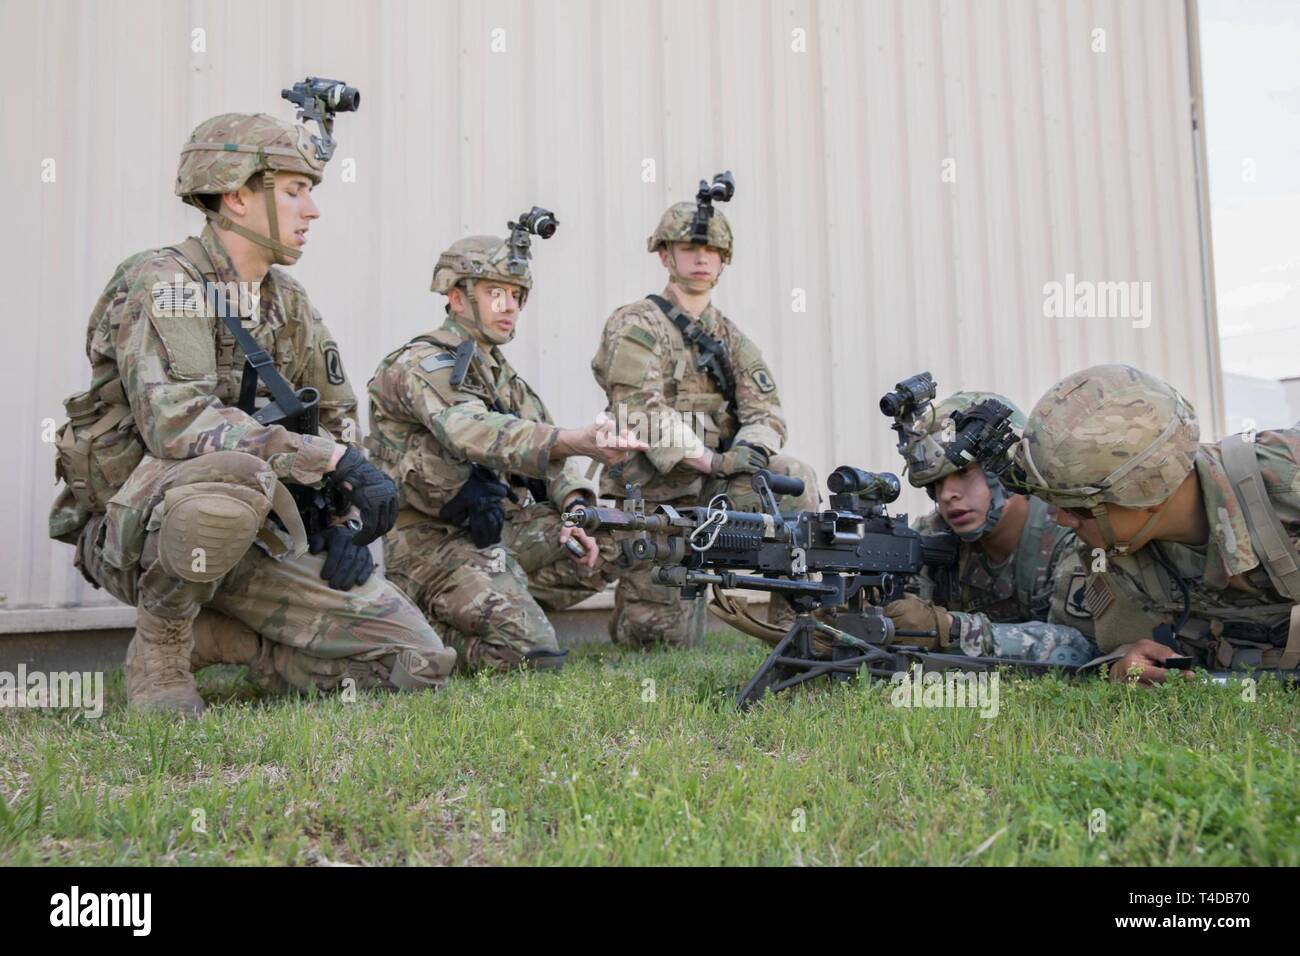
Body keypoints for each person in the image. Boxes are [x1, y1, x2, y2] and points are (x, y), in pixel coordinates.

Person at [49, 109, 454, 715]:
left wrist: (343, 522)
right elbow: (178, 420)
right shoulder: (164, 281)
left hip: (261, 531)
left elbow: (336, 416)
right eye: (295, 192)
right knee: (236, 473)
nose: (312, 210)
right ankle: (160, 653)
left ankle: (227, 642)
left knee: (417, 664)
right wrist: (329, 460)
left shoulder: (288, 301)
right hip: (142, 527)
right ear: (237, 196)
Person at [367, 229, 647, 672]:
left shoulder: (500, 373)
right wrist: (573, 439)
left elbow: (546, 447)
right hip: (433, 544)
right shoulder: (422, 364)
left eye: (516, 294)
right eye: (494, 292)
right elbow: (472, 431)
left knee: (623, 534)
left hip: (496, 531)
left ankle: (502, 596)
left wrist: (576, 508)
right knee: (532, 658)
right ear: (457, 297)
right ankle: (425, 627)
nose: (509, 305)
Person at [591, 198, 820, 649]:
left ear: (723, 261)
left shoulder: (730, 337)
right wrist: (713, 460)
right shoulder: (636, 324)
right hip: (654, 505)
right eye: (690, 247)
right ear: (664, 255)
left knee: (794, 478)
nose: (701, 258)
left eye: (712, 250)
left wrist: (749, 454)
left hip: (716, 490)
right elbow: (640, 410)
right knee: (656, 643)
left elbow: (765, 410)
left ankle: (797, 630)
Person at [1015, 363, 1300, 683]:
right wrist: (1121, 663)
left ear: (1148, 491)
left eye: (1079, 507)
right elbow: (1084, 650)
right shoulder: (1102, 558)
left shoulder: (1286, 481)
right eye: (1053, 504)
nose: (1062, 520)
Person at [883, 391, 1098, 665]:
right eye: (936, 483)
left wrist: (952, 630)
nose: (948, 494)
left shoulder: (1068, 529)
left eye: (963, 473)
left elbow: (1083, 648)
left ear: (1006, 468)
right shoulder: (932, 534)